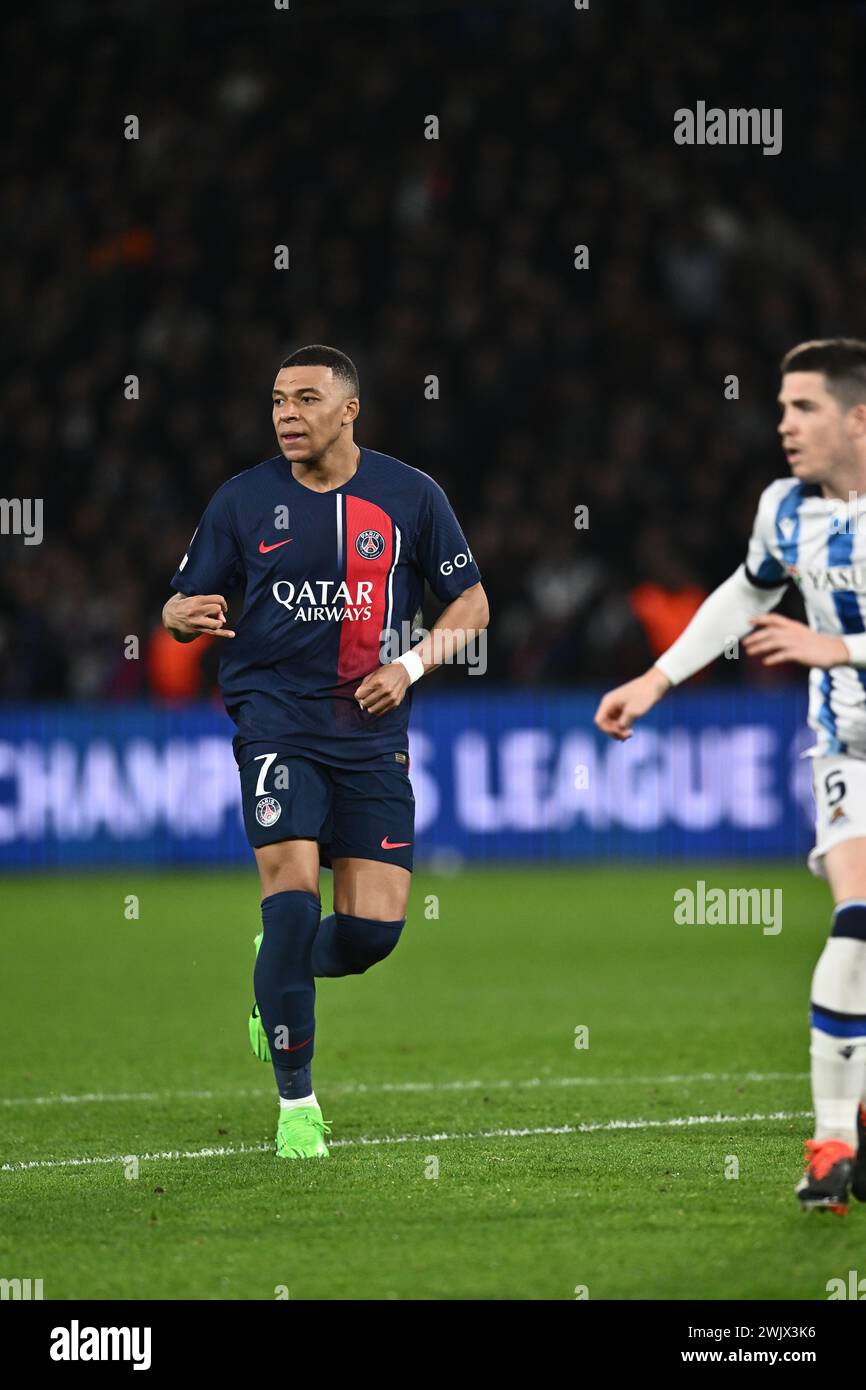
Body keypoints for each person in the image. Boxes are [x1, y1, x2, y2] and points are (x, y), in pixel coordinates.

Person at [162, 345, 489, 1159]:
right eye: (277, 400)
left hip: (371, 734)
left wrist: (410, 666)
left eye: (305, 399)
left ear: (349, 410)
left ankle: (276, 969)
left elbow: (473, 602)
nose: (285, 414)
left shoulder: (410, 496)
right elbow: (174, 603)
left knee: (372, 936)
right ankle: (297, 1107)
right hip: (275, 723)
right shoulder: (242, 501)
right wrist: (179, 617)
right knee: (294, 897)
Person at [594, 338, 866, 1213]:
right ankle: (833, 1142)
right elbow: (744, 596)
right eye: (782, 407)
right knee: (858, 923)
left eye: (803, 408)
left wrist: (839, 647)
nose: (782, 423)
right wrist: (657, 677)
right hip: (847, 751)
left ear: (858, 418)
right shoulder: (784, 508)